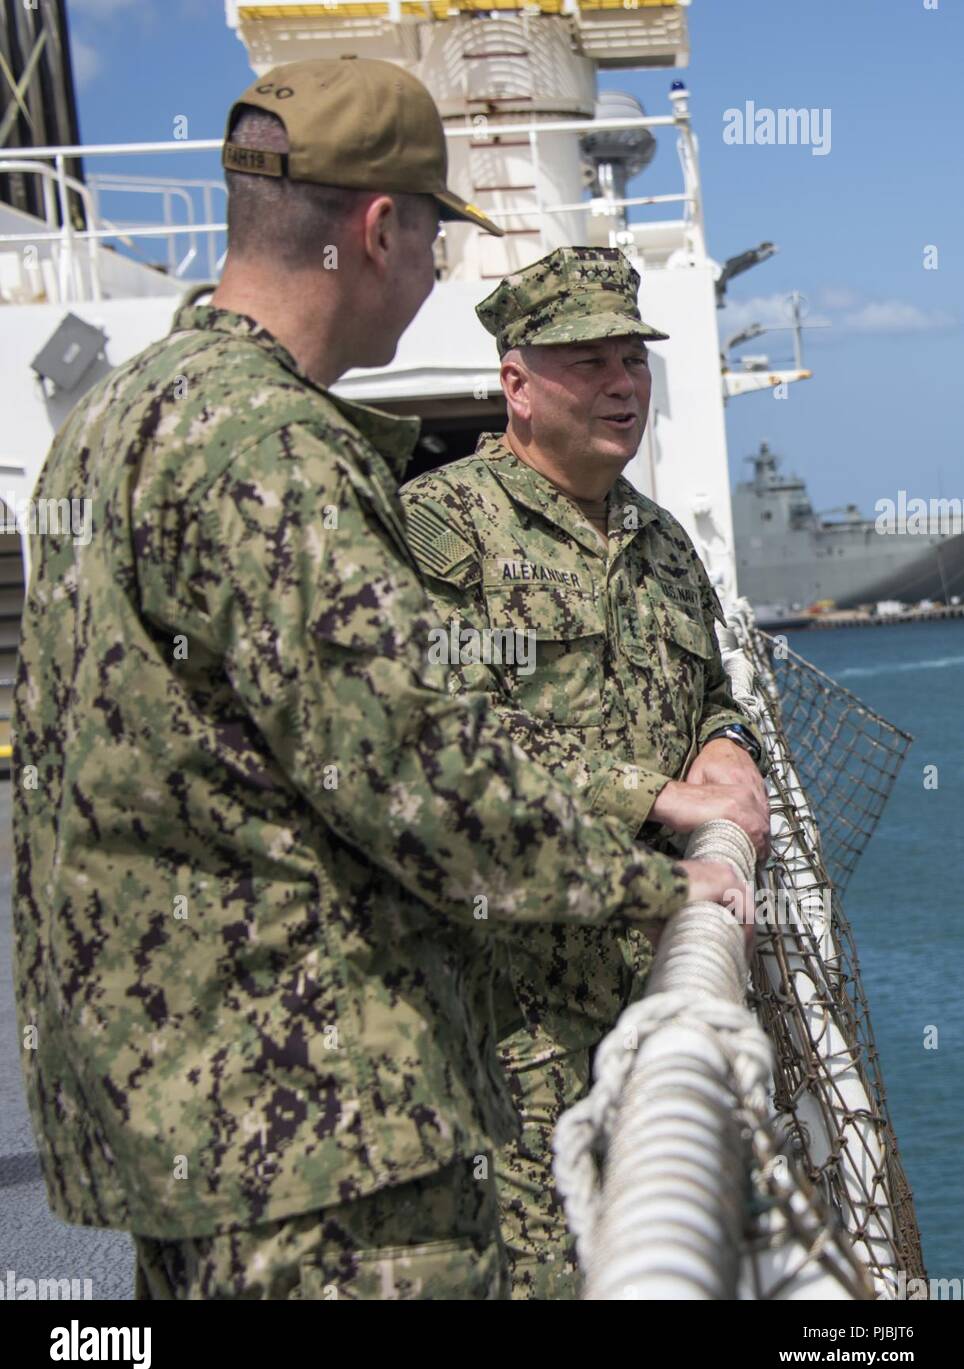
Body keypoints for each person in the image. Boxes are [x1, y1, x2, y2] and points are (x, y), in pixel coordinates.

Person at [12, 64, 749, 1302]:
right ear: (378, 230)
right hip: (324, 1129)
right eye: (429, 239)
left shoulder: (111, 421)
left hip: (184, 1118)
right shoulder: (274, 447)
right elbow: (423, 772)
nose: (428, 279)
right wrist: (669, 892)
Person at [400, 245, 770, 1298]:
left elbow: (707, 691)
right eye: (588, 361)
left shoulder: (660, 543)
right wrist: (652, 796)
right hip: (514, 1028)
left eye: (633, 359)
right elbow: (444, 735)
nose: (622, 384)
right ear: (515, 384)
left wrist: (721, 743)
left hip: (659, 992)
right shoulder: (442, 531)